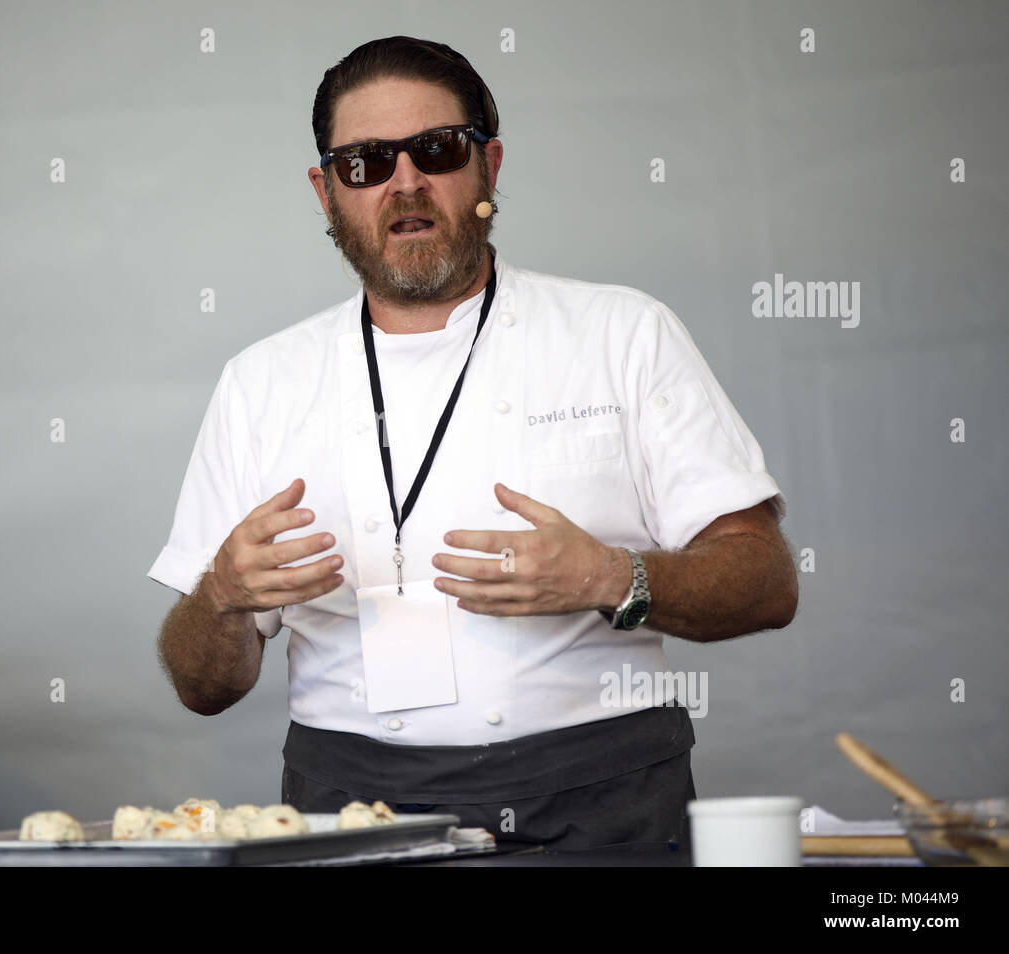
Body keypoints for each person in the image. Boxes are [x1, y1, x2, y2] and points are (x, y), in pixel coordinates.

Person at [148, 36, 797, 853]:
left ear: (488, 165)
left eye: (437, 150)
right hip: (351, 817)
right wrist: (220, 596)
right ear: (326, 191)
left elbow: (769, 583)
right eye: (366, 163)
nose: (405, 181)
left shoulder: (622, 333)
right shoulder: (260, 383)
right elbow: (202, 685)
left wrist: (610, 575)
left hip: (603, 806)